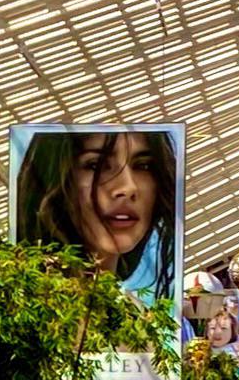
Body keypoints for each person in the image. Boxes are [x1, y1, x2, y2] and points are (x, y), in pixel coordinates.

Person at [17, 129, 178, 313]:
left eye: (144, 166)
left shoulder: (136, 319)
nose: (128, 187)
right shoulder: (22, 307)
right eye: (96, 165)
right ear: (55, 177)